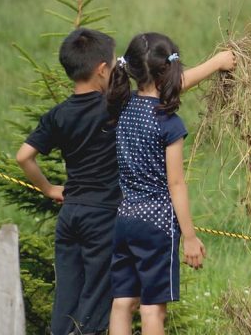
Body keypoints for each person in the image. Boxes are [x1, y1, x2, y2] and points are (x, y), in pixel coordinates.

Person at [106, 32, 235, 335]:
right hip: (157, 226)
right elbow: (176, 184)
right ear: (170, 72)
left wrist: (216, 63)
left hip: (124, 218)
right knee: (153, 310)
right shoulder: (169, 123)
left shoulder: (121, 106)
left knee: (122, 303)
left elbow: (167, 87)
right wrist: (189, 237)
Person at [16, 28, 120, 335]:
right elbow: (168, 90)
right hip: (103, 216)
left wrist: (48, 188)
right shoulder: (113, 109)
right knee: (95, 303)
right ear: (102, 70)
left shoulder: (58, 114)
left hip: (70, 215)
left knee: (67, 298)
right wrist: (216, 63)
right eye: (113, 67)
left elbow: (23, 157)